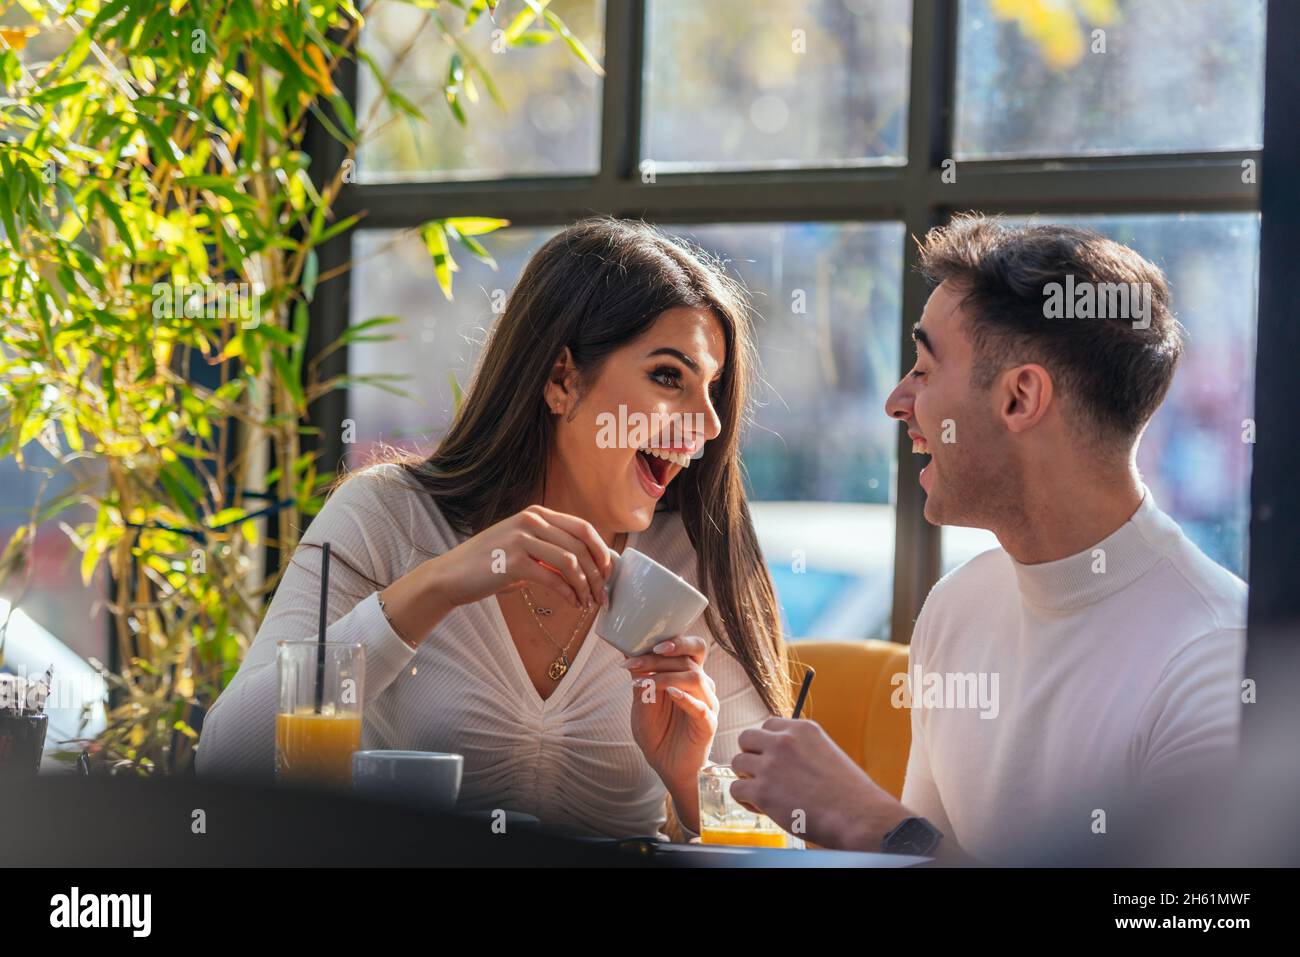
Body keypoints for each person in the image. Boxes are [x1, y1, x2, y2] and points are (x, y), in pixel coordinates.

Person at [197, 217, 793, 839]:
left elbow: (784, 842)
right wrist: (430, 588)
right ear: (562, 379)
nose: (708, 424)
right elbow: (224, 762)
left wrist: (688, 783)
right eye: (669, 376)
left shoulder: (691, 557)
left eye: (713, 389)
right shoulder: (385, 518)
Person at [731, 214, 1247, 864]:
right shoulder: (956, 608)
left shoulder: (1215, 662)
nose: (896, 401)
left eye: (923, 368)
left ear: (1020, 397)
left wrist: (870, 822)